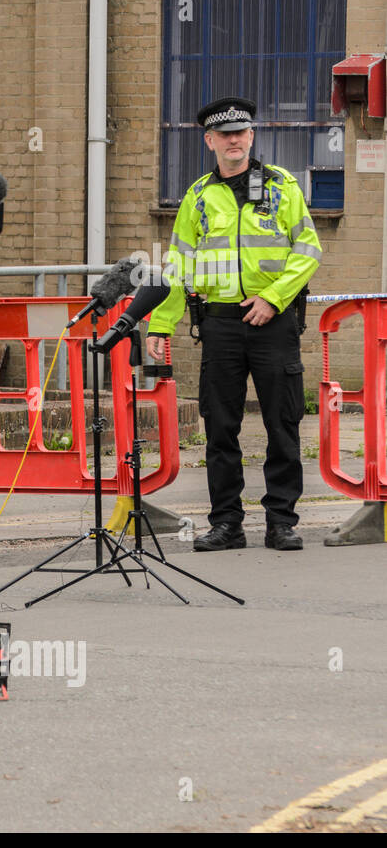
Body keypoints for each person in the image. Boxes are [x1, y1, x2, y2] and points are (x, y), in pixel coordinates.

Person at [146, 97, 320, 552]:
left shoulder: (282, 187)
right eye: (225, 135)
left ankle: (281, 521)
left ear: (252, 136)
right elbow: (177, 265)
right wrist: (161, 326)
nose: (234, 141)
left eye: (241, 133)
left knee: (282, 424)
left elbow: (308, 250)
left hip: (274, 322)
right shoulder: (198, 196)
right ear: (210, 141)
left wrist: (273, 298)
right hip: (220, 325)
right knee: (220, 427)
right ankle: (226, 523)